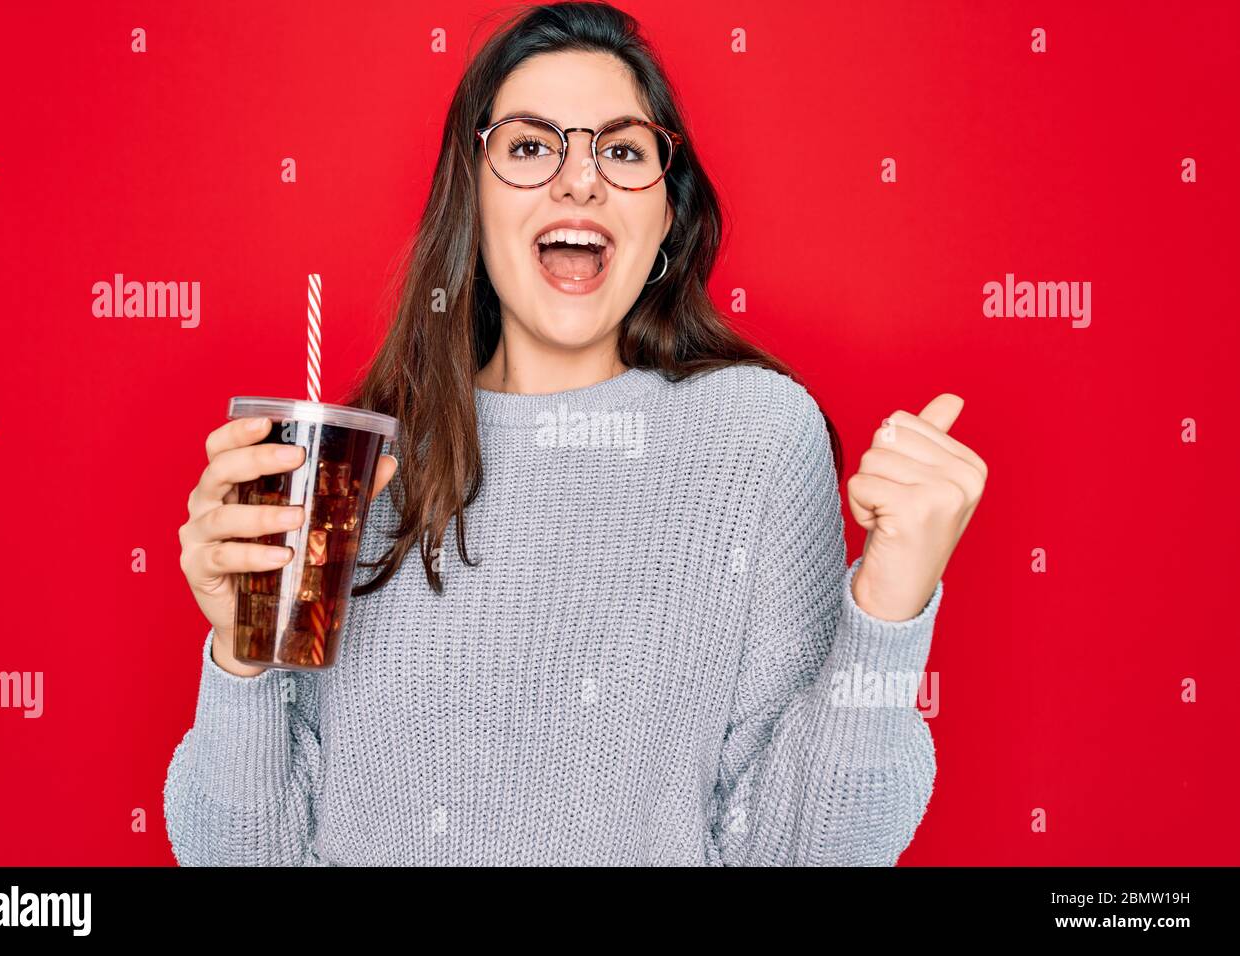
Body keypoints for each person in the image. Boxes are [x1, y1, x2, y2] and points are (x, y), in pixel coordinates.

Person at [164, 0, 987, 866]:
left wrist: (889, 605)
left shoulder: (754, 439)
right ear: (470, 202)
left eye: (623, 151)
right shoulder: (354, 474)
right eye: (529, 147)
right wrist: (240, 657)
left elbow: (805, 850)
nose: (578, 179)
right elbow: (241, 856)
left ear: (666, 216)